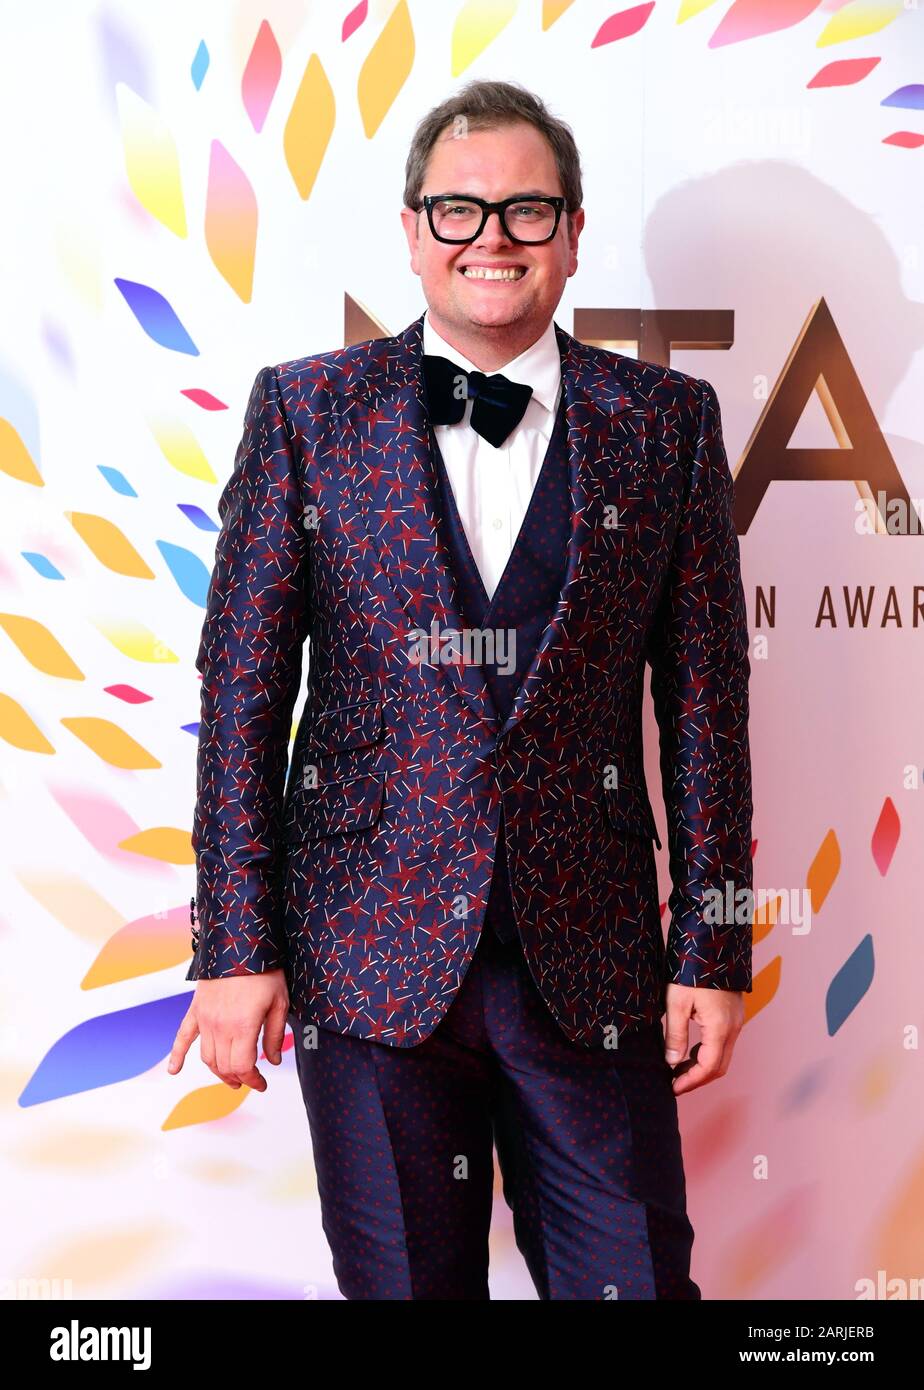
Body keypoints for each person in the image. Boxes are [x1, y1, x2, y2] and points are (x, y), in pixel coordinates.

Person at [168, 78, 754, 1301]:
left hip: (592, 966)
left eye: (527, 209)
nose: (491, 235)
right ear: (411, 229)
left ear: (574, 231)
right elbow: (243, 687)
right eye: (458, 208)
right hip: (366, 965)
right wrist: (234, 941)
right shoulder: (307, 413)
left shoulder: (665, 425)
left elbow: (704, 702)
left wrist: (714, 941)